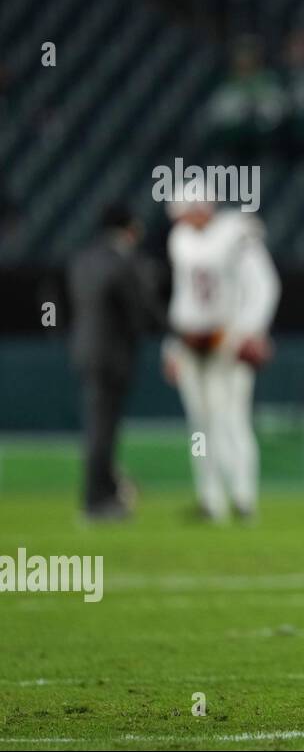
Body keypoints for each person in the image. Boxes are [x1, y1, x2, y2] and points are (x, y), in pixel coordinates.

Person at [163, 192, 280, 523]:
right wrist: (172, 346)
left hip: (226, 338)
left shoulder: (237, 233)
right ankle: (211, 499)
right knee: (200, 425)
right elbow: (183, 296)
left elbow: (265, 286)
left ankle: (243, 497)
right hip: (191, 341)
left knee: (232, 419)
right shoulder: (181, 239)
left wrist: (249, 332)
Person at [68, 205, 161, 519]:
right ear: (129, 229)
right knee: (103, 429)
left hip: (85, 352)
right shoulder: (124, 263)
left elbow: (66, 305)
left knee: (99, 426)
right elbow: (140, 311)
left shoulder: (82, 259)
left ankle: (102, 493)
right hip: (113, 354)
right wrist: (172, 330)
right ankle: (98, 500)